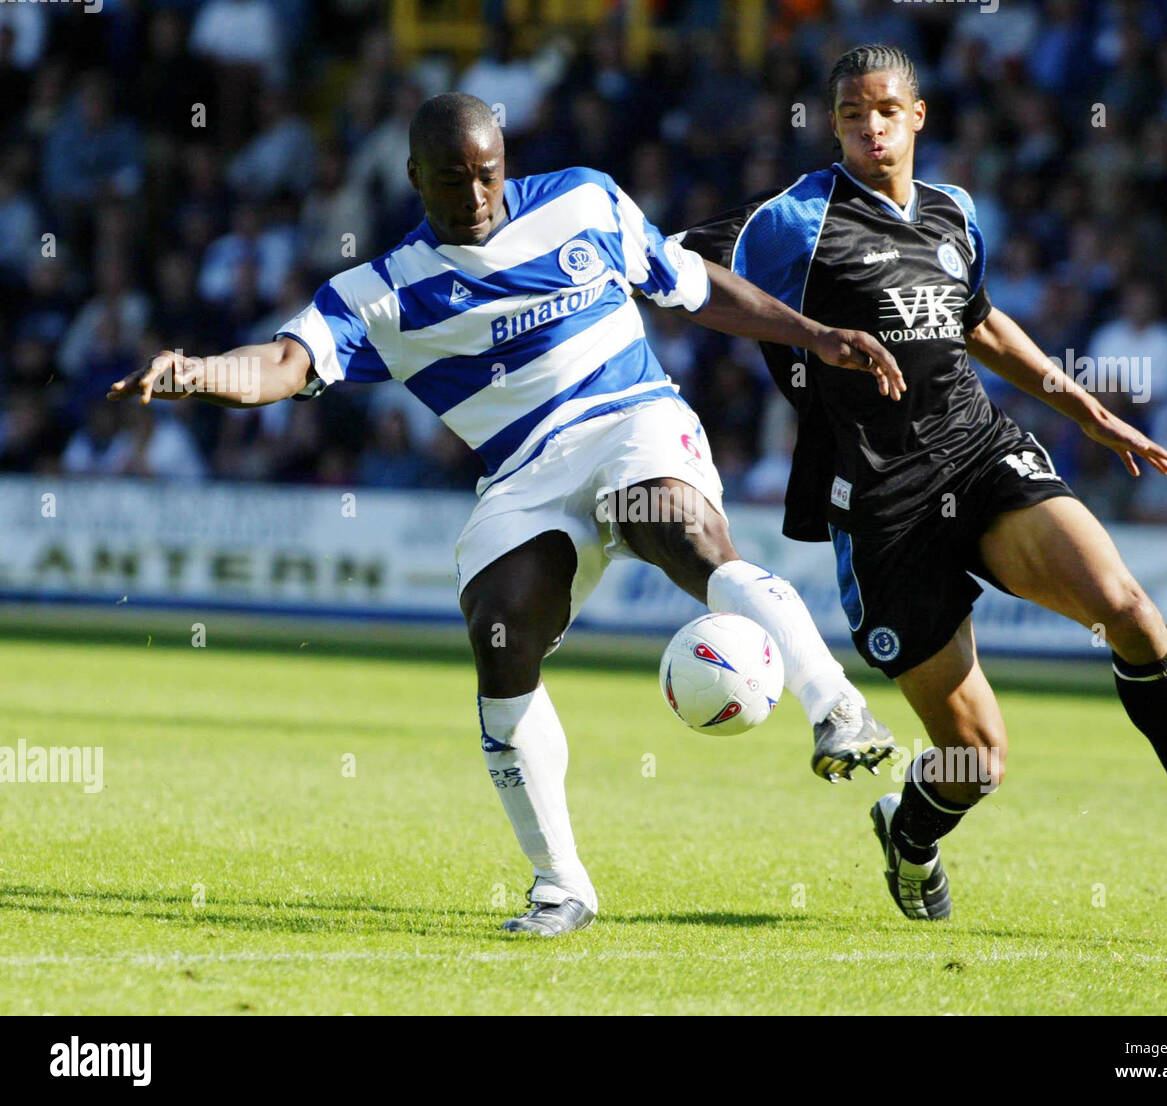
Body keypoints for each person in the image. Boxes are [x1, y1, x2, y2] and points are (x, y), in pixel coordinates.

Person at [109, 93, 904, 936]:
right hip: (525, 475)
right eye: (452, 180)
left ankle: (835, 707)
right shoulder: (382, 292)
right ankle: (562, 886)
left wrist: (814, 335)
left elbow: (694, 288)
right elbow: (280, 362)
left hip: (631, 419)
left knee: (679, 527)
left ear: (505, 162)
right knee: (500, 632)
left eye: (488, 173)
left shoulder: (584, 201)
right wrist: (196, 374)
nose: (476, 195)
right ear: (414, 178)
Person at [679, 45, 1167, 920]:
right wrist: (809, 333)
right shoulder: (794, 220)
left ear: (918, 115)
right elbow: (676, 276)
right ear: (834, 124)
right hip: (882, 505)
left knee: (1126, 607)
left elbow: (978, 321)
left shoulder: (953, 212)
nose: (871, 127)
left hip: (979, 454)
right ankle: (908, 836)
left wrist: (1079, 405)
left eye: (887, 109)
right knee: (978, 761)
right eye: (852, 114)